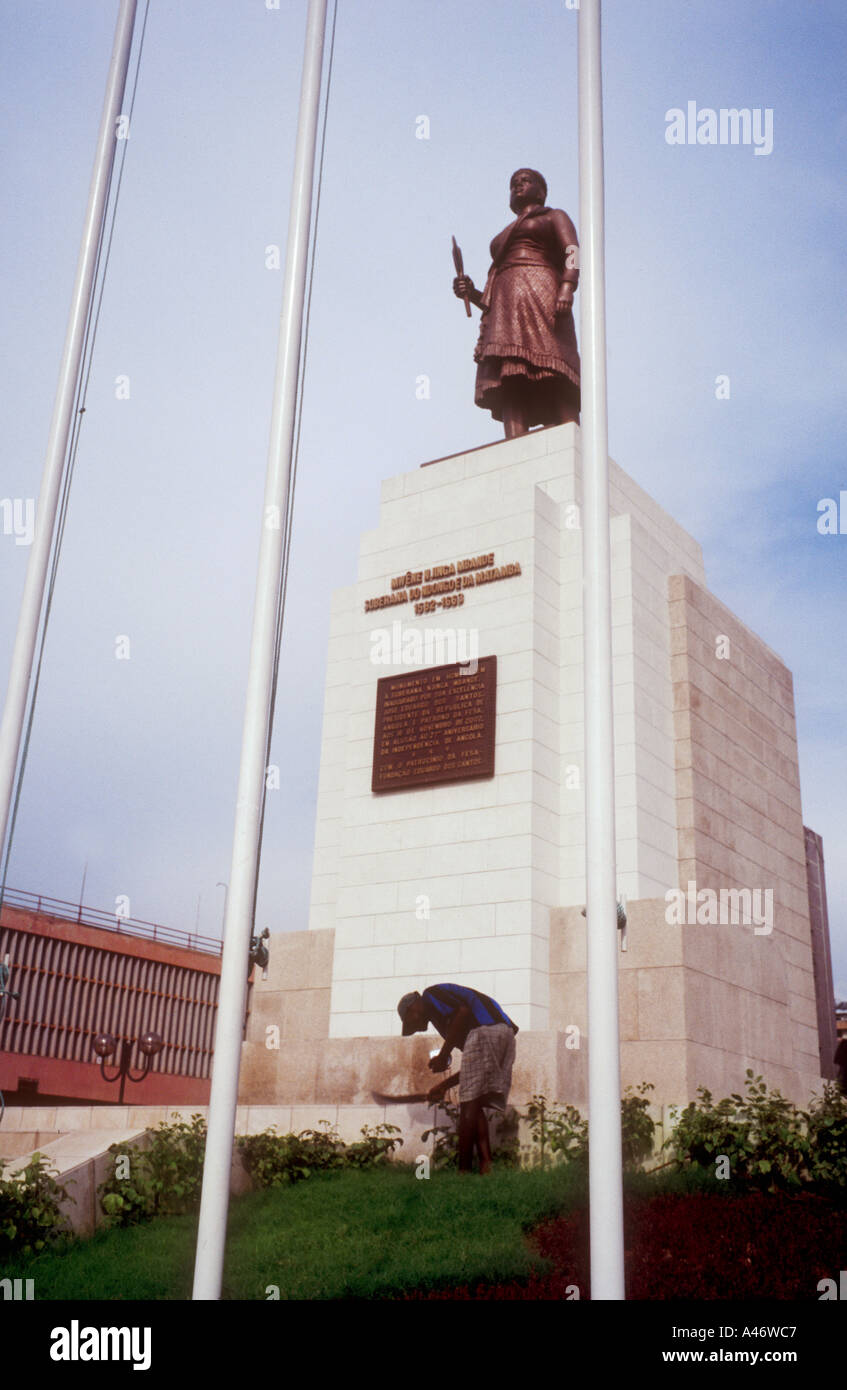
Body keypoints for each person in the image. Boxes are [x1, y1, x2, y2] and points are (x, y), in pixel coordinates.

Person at [453, 168, 580, 439]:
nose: (518, 186)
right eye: (513, 184)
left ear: (542, 191)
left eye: (525, 181)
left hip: (542, 293)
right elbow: (489, 295)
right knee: (510, 371)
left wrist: (568, 286)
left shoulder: (553, 216)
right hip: (505, 303)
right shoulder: (504, 235)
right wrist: (472, 292)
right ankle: (515, 442)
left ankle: (573, 436)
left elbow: (573, 251)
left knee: (552, 363)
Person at [397, 983, 518, 1174]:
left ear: (414, 1008)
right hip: (505, 1033)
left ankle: (463, 1171)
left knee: (469, 1104)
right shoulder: (448, 1022)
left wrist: (444, 1055)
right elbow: (471, 1070)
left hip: (486, 1028)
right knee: (474, 1100)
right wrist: (443, 1086)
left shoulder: (430, 995)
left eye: (411, 1022)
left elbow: (463, 1010)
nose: (417, 1029)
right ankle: (486, 1166)